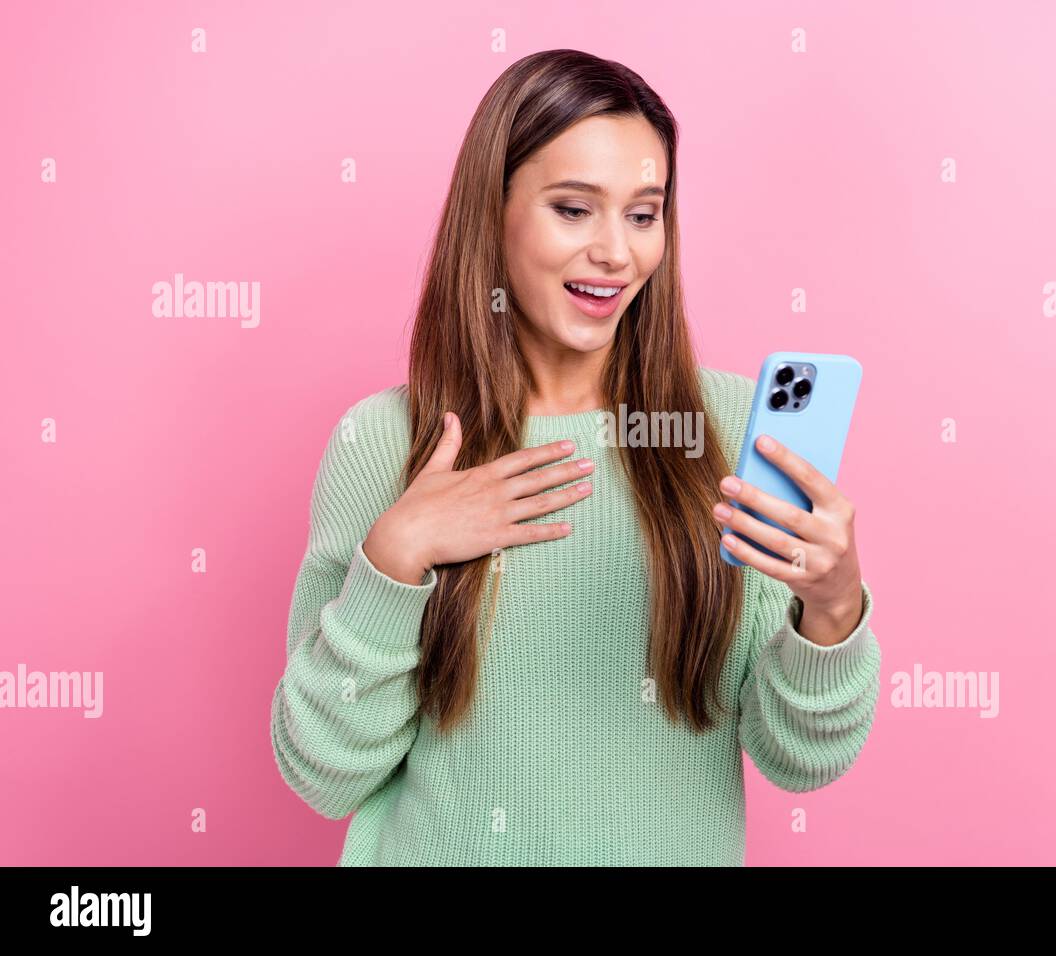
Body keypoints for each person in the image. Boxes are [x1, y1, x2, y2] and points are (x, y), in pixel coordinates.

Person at [270, 48, 881, 866]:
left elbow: (799, 758)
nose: (617, 255)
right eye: (573, 209)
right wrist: (395, 558)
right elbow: (321, 775)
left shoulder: (728, 430)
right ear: (494, 211)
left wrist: (832, 615)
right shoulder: (385, 443)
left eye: (642, 214)